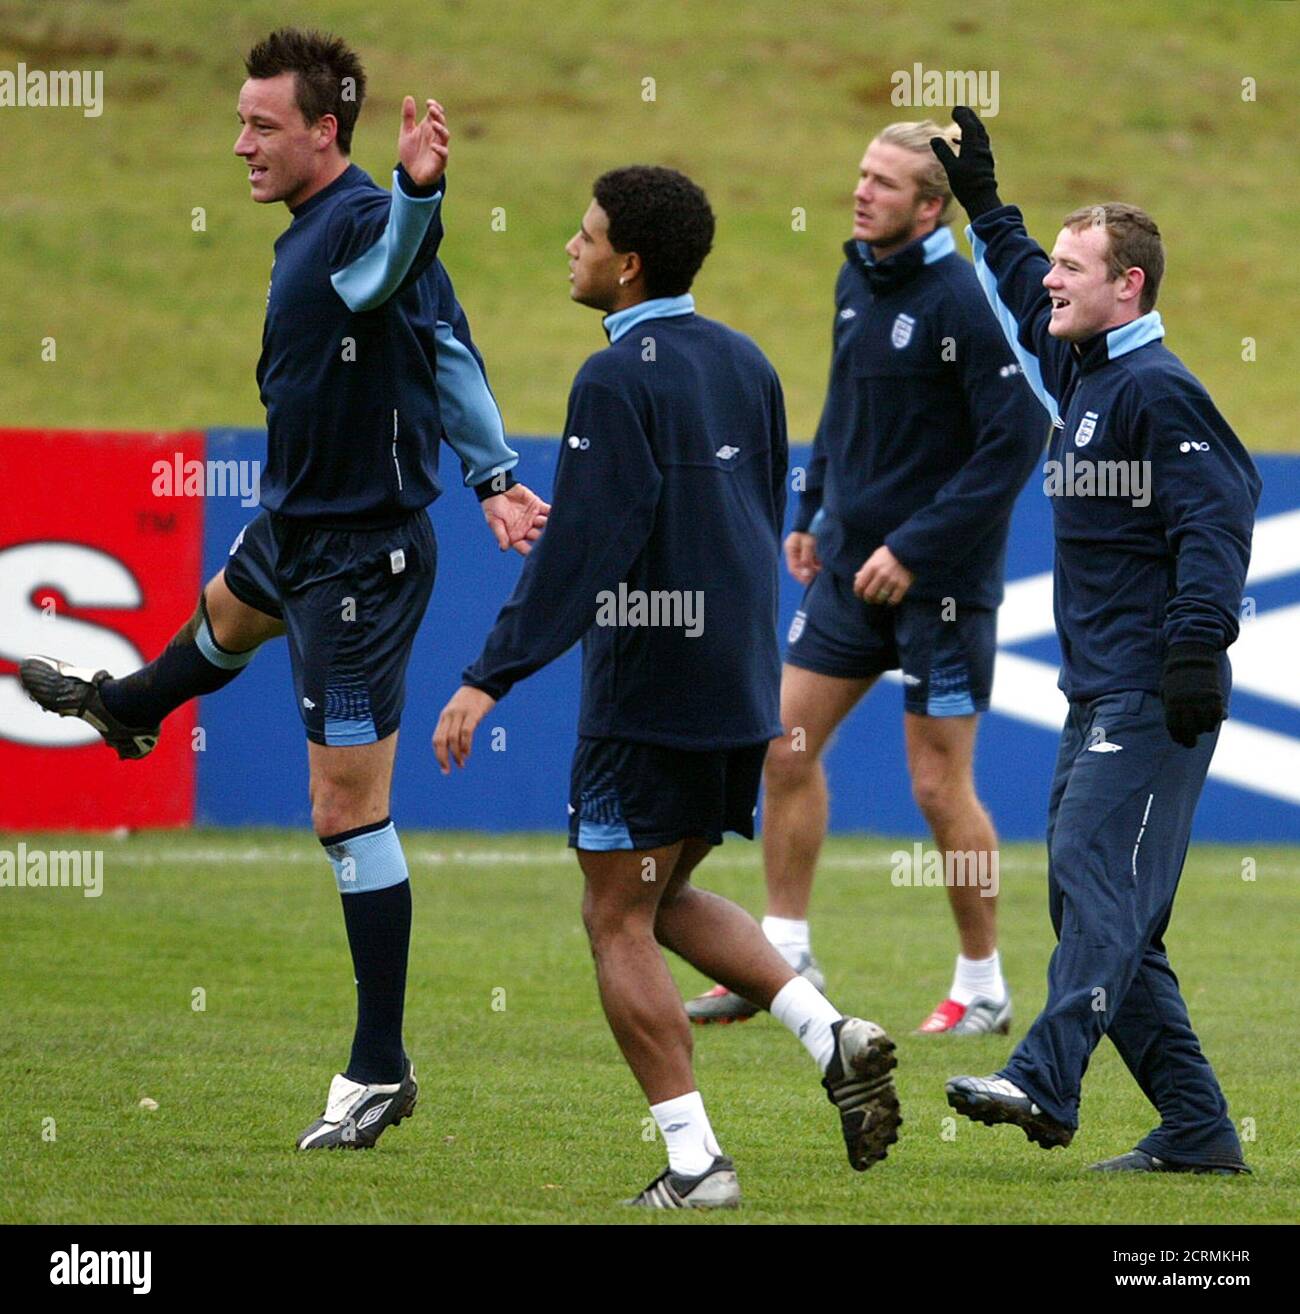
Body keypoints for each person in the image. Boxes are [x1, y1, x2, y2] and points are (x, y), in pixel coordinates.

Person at [20, 27, 548, 1151]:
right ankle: (131, 709)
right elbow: (445, 347)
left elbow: (397, 268)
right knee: (223, 616)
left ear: (325, 132)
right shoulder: (314, 225)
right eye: (240, 121)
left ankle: (378, 1070)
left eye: (262, 126)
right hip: (296, 528)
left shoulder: (363, 220)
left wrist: (421, 192)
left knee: (344, 812)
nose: (239, 144)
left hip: (361, 557)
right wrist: (496, 475)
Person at [433, 166, 901, 1208]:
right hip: (742, 682)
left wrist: (485, 677)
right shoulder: (746, 361)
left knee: (612, 918)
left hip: (650, 689)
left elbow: (590, 548)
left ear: (628, 264)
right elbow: (729, 513)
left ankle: (696, 1166)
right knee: (661, 893)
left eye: (587, 233)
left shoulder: (611, 379)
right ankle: (830, 1033)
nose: (570, 245)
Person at [933, 107, 1259, 1173]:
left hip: (1151, 695)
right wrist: (988, 207)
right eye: (1055, 266)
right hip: (1099, 693)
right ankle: (1201, 1134)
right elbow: (1025, 290)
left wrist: (1194, 651)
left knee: (1087, 877)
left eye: (1077, 268)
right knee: (1101, 910)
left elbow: (1220, 510)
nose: (1051, 282)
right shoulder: (1087, 375)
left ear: (1131, 287)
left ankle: (1041, 1078)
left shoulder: (1156, 389)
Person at [686, 121, 1046, 1034]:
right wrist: (812, 511)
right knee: (782, 747)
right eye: (861, 175)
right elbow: (844, 406)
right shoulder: (857, 275)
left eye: (886, 184)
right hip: (849, 568)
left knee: (936, 785)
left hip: (942, 583)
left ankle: (984, 986)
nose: (862, 192)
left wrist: (916, 548)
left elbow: (1017, 440)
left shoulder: (968, 299)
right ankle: (783, 955)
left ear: (932, 207)